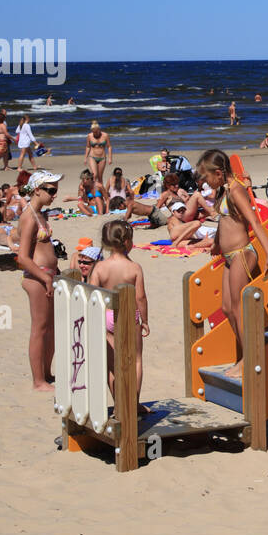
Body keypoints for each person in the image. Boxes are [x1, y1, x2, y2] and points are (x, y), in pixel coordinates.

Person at [195, 149, 268, 377]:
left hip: (243, 253)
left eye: (208, 177)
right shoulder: (223, 191)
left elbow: (255, 222)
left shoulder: (236, 191)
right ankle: (244, 354)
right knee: (226, 308)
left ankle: (248, 360)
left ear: (219, 173)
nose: (206, 183)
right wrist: (215, 245)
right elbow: (225, 221)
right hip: (229, 256)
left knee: (237, 308)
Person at [88, 220, 150, 414]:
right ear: (128, 241)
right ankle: (133, 403)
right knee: (136, 361)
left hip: (107, 317)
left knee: (113, 365)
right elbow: (140, 297)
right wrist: (145, 320)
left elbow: (93, 295)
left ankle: (118, 404)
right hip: (129, 316)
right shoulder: (134, 268)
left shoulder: (99, 268)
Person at [17, 175, 62, 391]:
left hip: (48, 275)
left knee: (50, 329)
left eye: (55, 190)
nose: (55, 195)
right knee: (39, 328)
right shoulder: (29, 217)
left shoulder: (40, 214)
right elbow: (22, 256)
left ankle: (46, 373)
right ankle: (38, 381)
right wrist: (45, 277)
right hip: (37, 277)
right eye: (51, 190)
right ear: (37, 190)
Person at [85, 122, 111, 187]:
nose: (95, 134)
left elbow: (109, 146)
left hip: (102, 158)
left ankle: (100, 193)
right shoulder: (89, 136)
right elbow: (88, 147)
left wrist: (110, 158)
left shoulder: (105, 135)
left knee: (100, 177)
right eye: (93, 132)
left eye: (96, 132)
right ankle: (91, 190)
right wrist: (85, 158)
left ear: (99, 129)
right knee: (94, 175)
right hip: (92, 157)